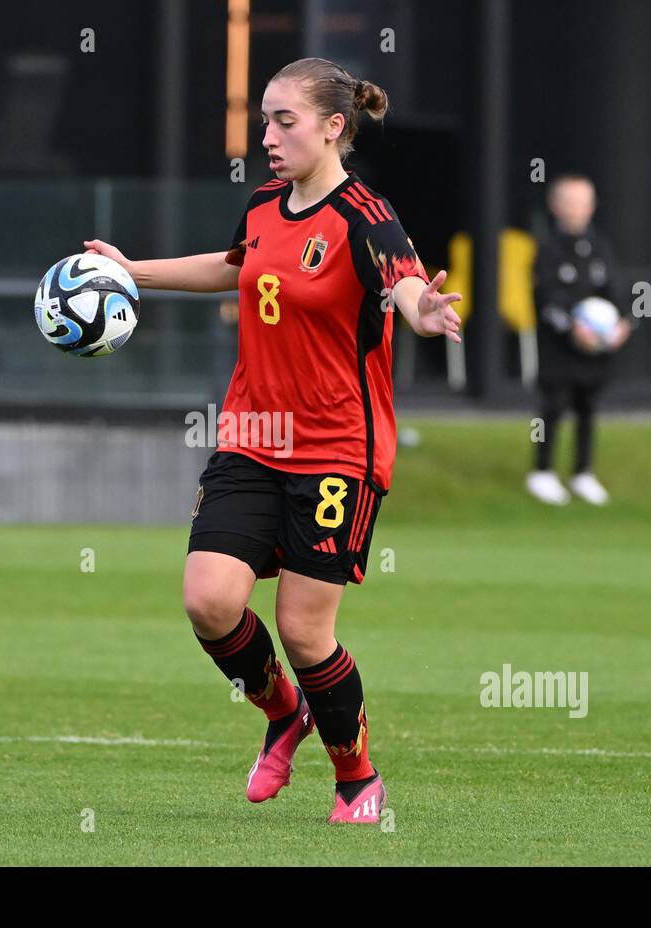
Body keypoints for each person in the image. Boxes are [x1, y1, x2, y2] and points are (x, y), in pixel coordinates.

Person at [85, 57, 461, 824]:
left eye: (284, 121)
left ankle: (355, 776)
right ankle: (281, 712)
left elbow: (405, 281)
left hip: (337, 451)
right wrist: (133, 274)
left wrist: (423, 312)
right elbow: (235, 268)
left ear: (333, 127)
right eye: (264, 119)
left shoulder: (365, 216)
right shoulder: (263, 206)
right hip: (252, 435)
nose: (268, 135)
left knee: (302, 628)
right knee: (209, 601)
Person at [526, 173, 632, 506]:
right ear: (555, 206)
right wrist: (572, 326)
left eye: (584, 202)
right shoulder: (546, 248)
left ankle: (582, 472)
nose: (577, 210)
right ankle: (542, 470)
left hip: (595, 349)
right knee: (554, 406)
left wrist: (622, 325)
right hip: (559, 348)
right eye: (570, 202)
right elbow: (544, 298)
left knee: (588, 407)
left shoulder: (600, 247)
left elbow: (616, 292)